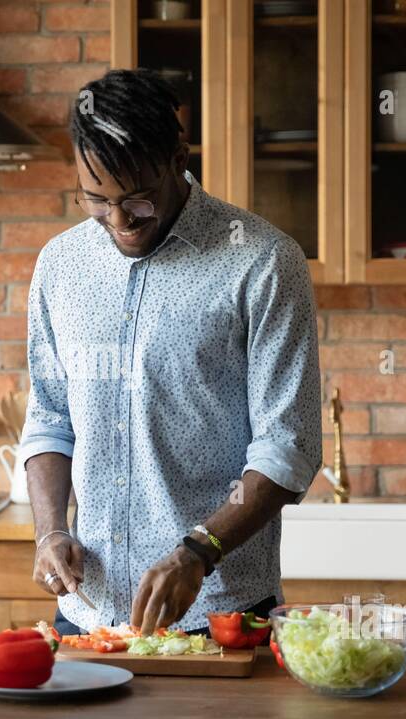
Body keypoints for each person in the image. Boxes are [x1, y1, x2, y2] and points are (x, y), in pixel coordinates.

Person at [17, 68, 321, 638]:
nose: (119, 221)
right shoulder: (59, 267)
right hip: (89, 615)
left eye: (138, 198)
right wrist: (50, 531)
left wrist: (199, 551)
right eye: (96, 199)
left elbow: (288, 446)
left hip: (219, 615)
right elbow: (50, 420)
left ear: (179, 156)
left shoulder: (262, 262)